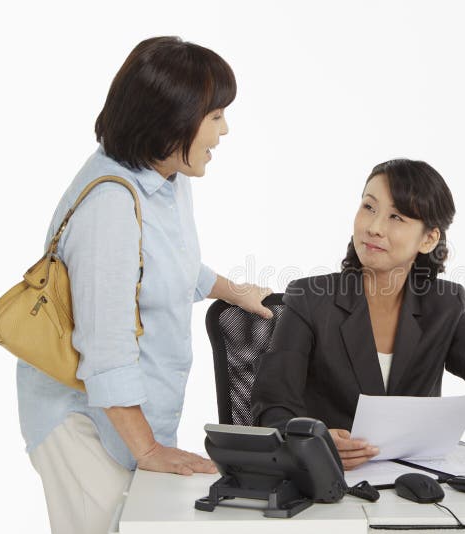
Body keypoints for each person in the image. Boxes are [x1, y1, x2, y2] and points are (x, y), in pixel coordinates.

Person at [17, 36, 273, 534]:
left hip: (127, 419)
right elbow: (105, 349)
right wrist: (149, 449)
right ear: (172, 120)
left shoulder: (168, 178)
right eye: (216, 116)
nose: (224, 130)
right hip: (83, 423)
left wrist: (232, 291)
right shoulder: (110, 207)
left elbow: (168, 265)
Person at [252, 159, 465, 470]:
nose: (374, 227)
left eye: (396, 217)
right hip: (327, 480)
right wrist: (312, 440)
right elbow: (274, 405)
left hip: (410, 481)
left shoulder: (444, 304)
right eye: (369, 207)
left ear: (428, 239)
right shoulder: (309, 299)